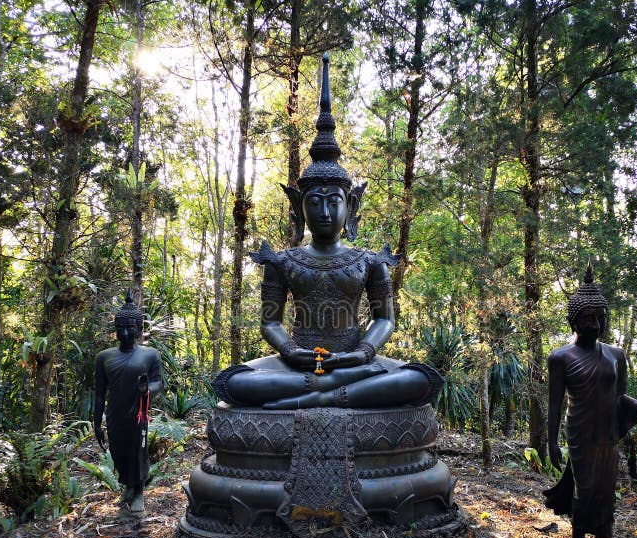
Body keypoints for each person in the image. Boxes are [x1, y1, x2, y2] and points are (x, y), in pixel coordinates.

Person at [212, 54, 442, 410]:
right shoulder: (283, 260)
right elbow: (270, 323)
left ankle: (322, 395)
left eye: (333, 201)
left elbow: (384, 320)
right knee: (234, 382)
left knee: (418, 379)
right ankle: (329, 392)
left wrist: (362, 353)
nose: (324, 211)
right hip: (296, 366)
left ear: (350, 205)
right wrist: (291, 351)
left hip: (355, 363)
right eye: (314, 202)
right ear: (298, 206)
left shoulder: (368, 261)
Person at [545, 264, 637, 538]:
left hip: (608, 435)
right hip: (580, 433)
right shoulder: (561, 358)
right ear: (574, 321)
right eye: (587, 318)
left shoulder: (615, 355)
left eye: (599, 318)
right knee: (584, 492)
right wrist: (551, 441)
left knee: (606, 495)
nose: (595, 324)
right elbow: (555, 404)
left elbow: (621, 399)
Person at [94, 292, 163, 512]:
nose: (124, 333)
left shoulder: (150, 355)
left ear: (139, 328)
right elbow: (99, 392)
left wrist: (146, 389)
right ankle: (128, 487)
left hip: (138, 412)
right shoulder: (104, 357)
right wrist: (96, 422)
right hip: (115, 414)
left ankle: (139, 491)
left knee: (138, 450)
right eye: (120, 329)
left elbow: (159, 383)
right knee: (119, 451)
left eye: (130, 328)